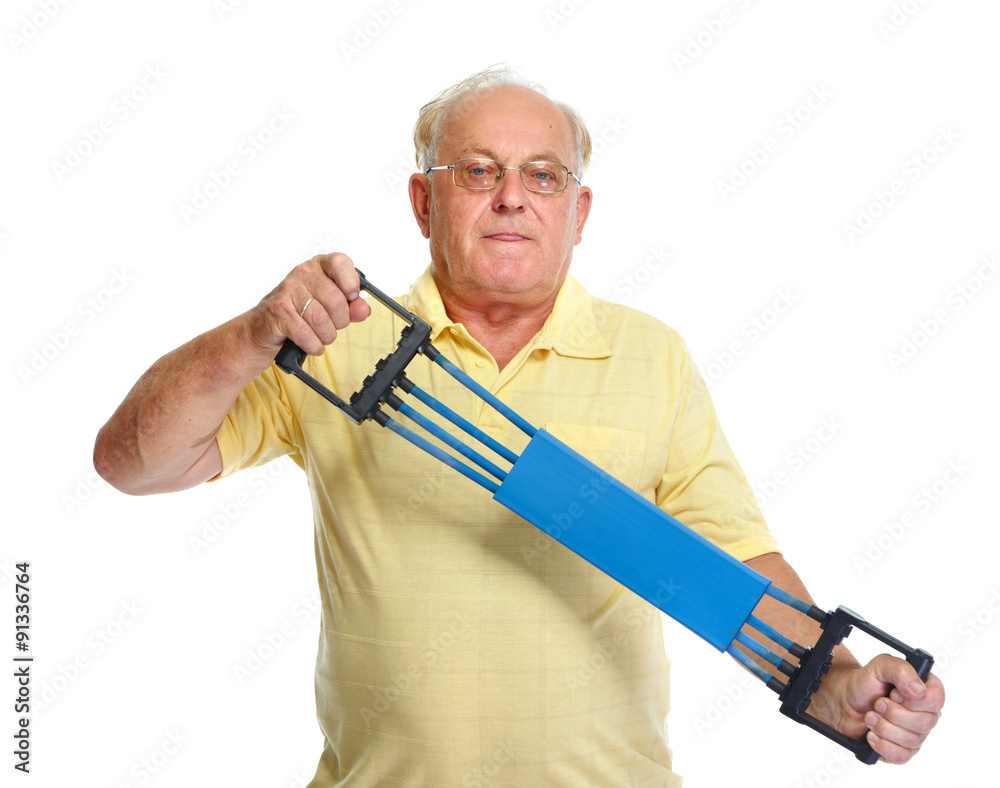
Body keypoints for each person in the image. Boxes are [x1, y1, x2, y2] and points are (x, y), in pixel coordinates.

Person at [94, 66, 944, 786]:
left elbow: (738, 562)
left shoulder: (652, 356)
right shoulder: (335, 344)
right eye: (478, 171)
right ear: (425, 203)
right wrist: (252, 334)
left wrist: (832, 680)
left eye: (544, 176)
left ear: (579, 212)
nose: (511, 199)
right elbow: (131, 464)